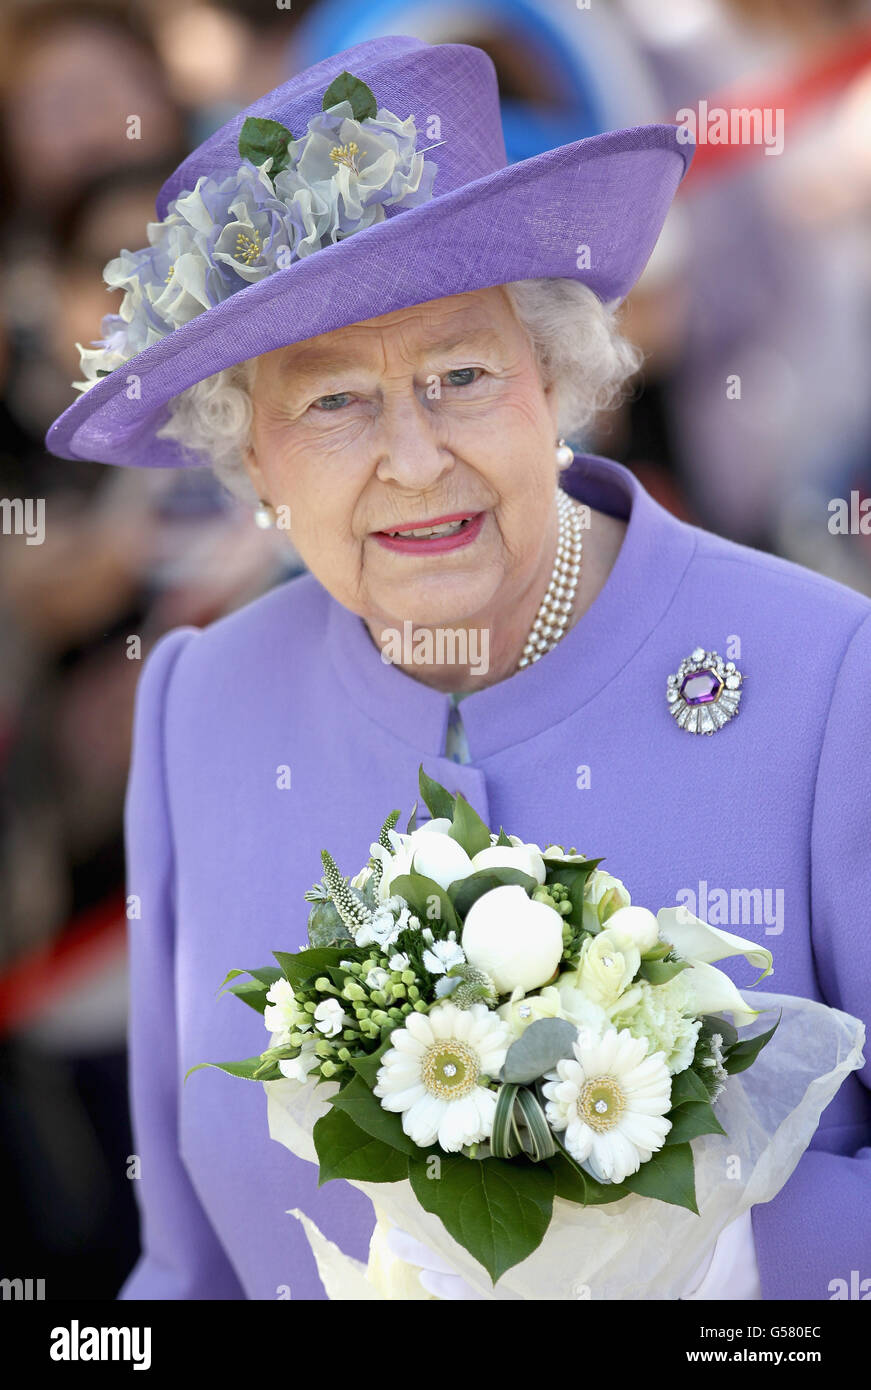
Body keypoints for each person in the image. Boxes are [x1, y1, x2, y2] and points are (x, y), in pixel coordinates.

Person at [45, 35, 870, 1301]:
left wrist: (701, 1259)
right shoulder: (199, 707)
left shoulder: (824, 679)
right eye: (331, 402)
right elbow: (186, 1263)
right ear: (249, 457)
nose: (414, 457)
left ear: (556, 375)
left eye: (461, 374)